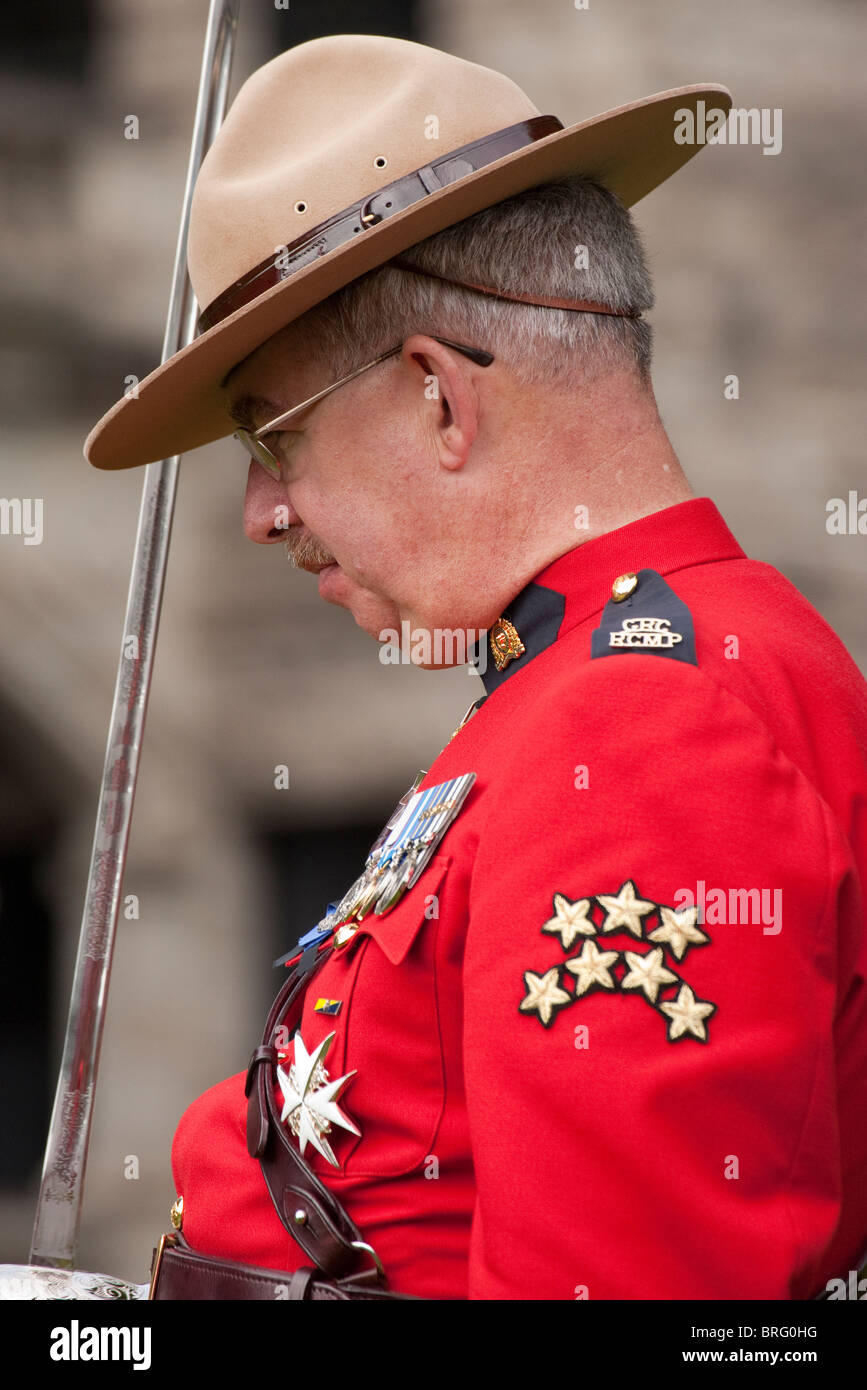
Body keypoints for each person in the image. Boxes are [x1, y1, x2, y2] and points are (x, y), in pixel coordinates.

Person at [86, 35, 867, 1300]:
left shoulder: (640, 731)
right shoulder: (607, 679)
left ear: (441, 399)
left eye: (273, 434)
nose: (259, 512)